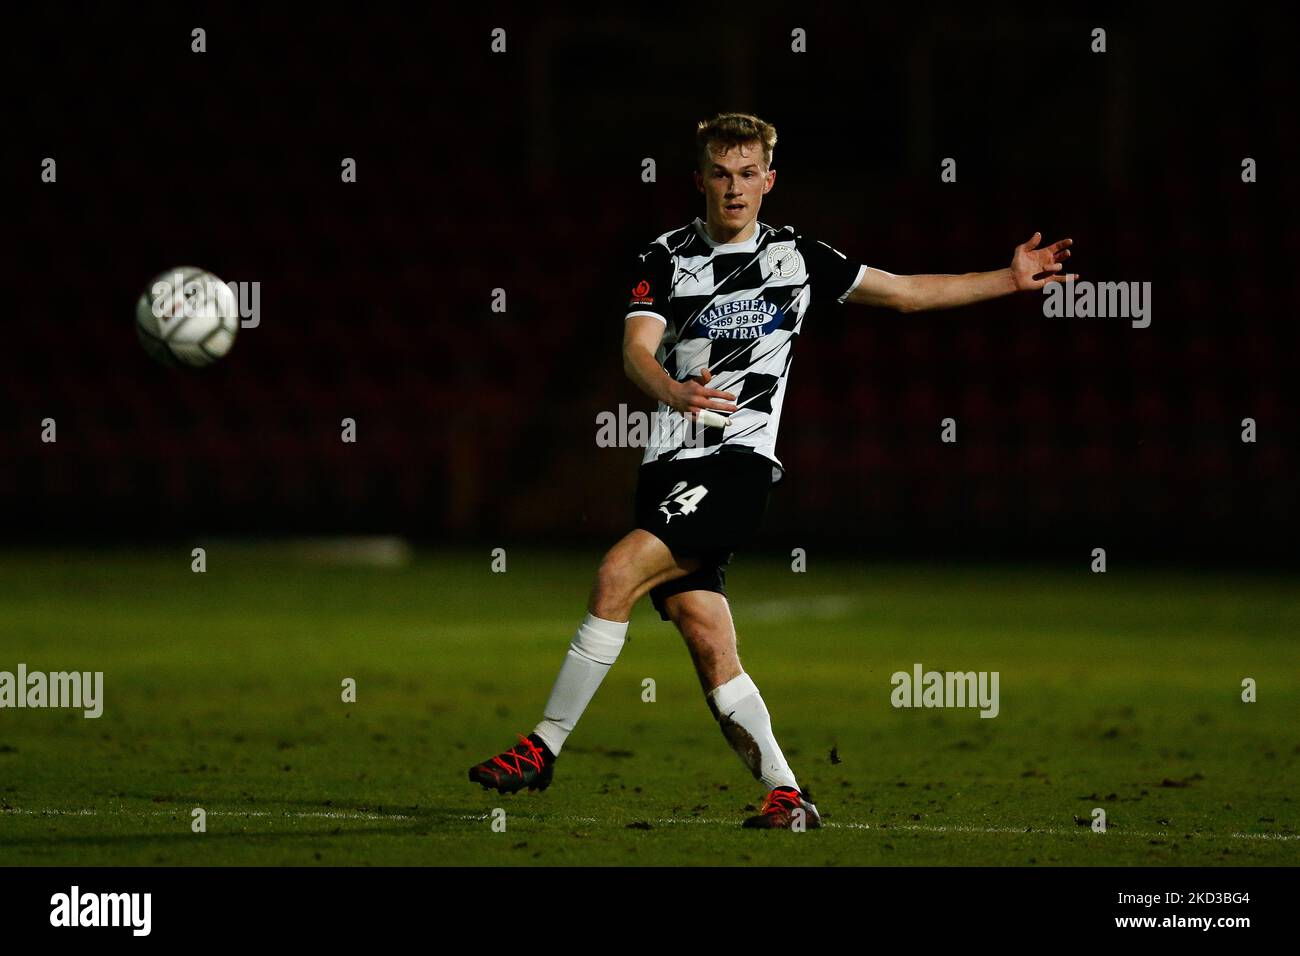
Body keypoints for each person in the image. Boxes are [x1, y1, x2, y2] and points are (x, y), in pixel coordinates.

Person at [469, 111, 1076, 829]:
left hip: (737, 463)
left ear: (770, 180)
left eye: (748, 174)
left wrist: (1006, 280)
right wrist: (669, 389)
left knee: (615, 574)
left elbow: (907, 292)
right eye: (721, 174)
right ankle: (789, 795)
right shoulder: (662, 258)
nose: (735, 188)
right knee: (708, 640)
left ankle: (543, 746)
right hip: (668, 466)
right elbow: (637, 349)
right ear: (699, 179)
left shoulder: (799, 257)